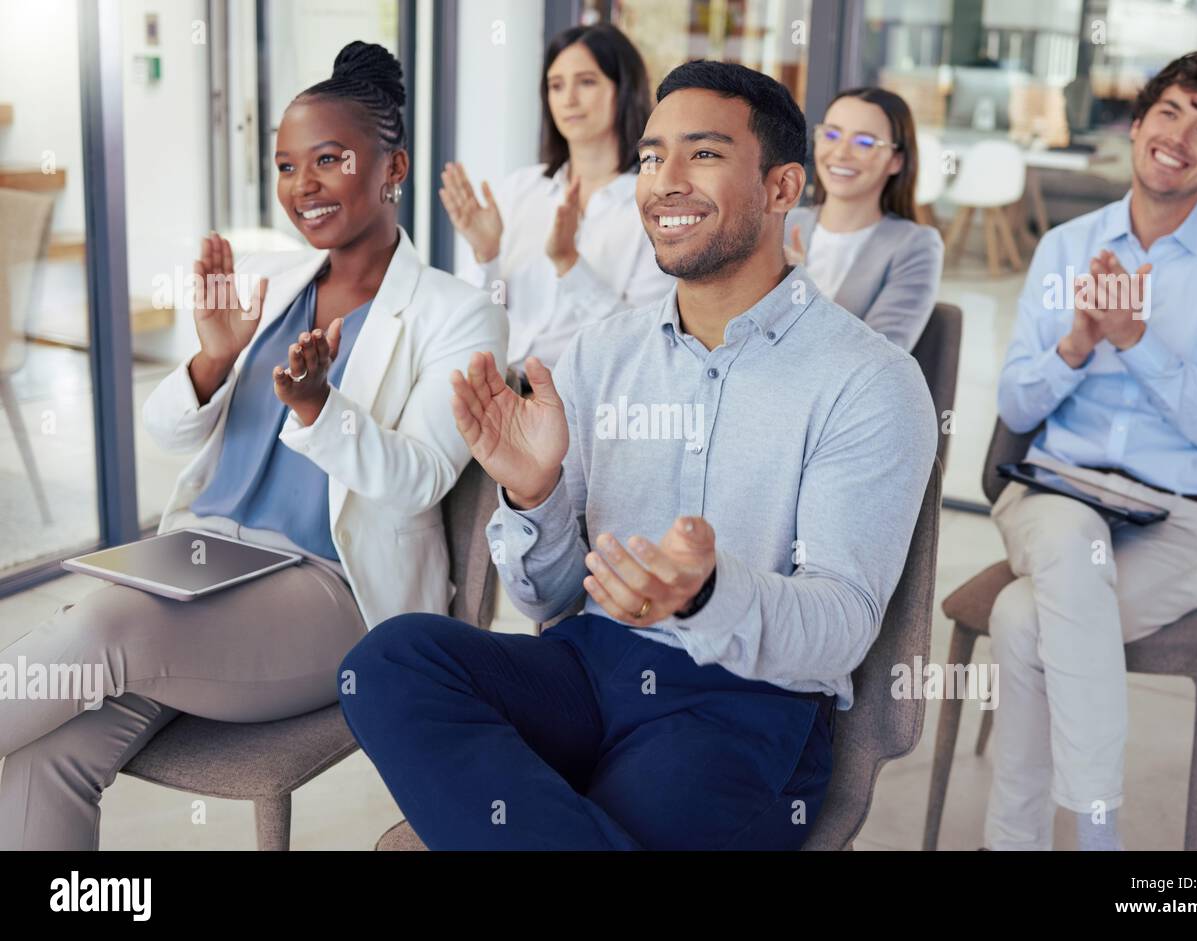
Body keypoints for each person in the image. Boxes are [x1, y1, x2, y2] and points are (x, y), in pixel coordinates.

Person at [339, 60, 936, 850]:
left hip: (745, 704)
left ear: (784, 188)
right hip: (590, 667)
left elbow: (841, 626)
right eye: (652, 157)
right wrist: (536, 494)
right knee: (389, 660)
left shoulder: (869, 379)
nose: (665, 182)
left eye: (706, 154)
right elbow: (548, 599)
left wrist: (707, 594)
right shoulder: (600, 354)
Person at [0, 42, 506, 850]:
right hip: (197, 564)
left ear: (393, 167)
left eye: (330, 159)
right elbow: (168, 430)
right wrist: (211, 358)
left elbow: (419, 480)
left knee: (98, 630)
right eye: (285, 165)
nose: (302, 185)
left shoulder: (457, 314)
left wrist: (317, 406)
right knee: (47, 748)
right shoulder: (269, 280)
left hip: (328, 593)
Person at [986, 50, 1197, 851]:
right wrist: (1080, 344)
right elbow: (1015, 405)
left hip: (1178, 522)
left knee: (1023, 623)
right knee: (1070, 537)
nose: (1181, 137)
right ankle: (1098, 837)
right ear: (1139, 125)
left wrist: (1138, 339)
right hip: (1053, 493)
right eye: (1170, 113)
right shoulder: (1065, 247)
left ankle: (1014, 843)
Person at [439, 23, 673, 373]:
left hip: (583, 406)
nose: (569, 99)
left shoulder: (653, 203)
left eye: (587, 82)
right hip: (497, 393)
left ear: (622, 90)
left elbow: (643, 340)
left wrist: (570, 263)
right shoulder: (522, 189)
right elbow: (468, 316)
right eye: (556, 85)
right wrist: (486, 255)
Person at [785, 88, 942, 351]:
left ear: (896, 160)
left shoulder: (915, 245)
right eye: (832, 135)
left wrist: (799, 288)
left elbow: (881, 356)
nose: (841, 153)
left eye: (865, 142)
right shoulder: (784, 222)